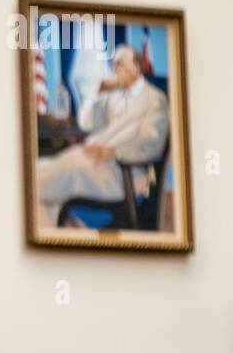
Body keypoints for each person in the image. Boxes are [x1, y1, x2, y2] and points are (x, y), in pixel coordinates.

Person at [37, 45, 169, 227]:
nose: (115, 69)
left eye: (120, 64)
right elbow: (86, 122)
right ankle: (60, 233)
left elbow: (152, 142)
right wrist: (98, 92)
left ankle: (62, 231)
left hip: (125, 173)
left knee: (40, 184)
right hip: (95, 163)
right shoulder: (114, 96)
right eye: (114, 64)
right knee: (41, 173)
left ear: (136, 68)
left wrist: (114, 151)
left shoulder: (155, 99)